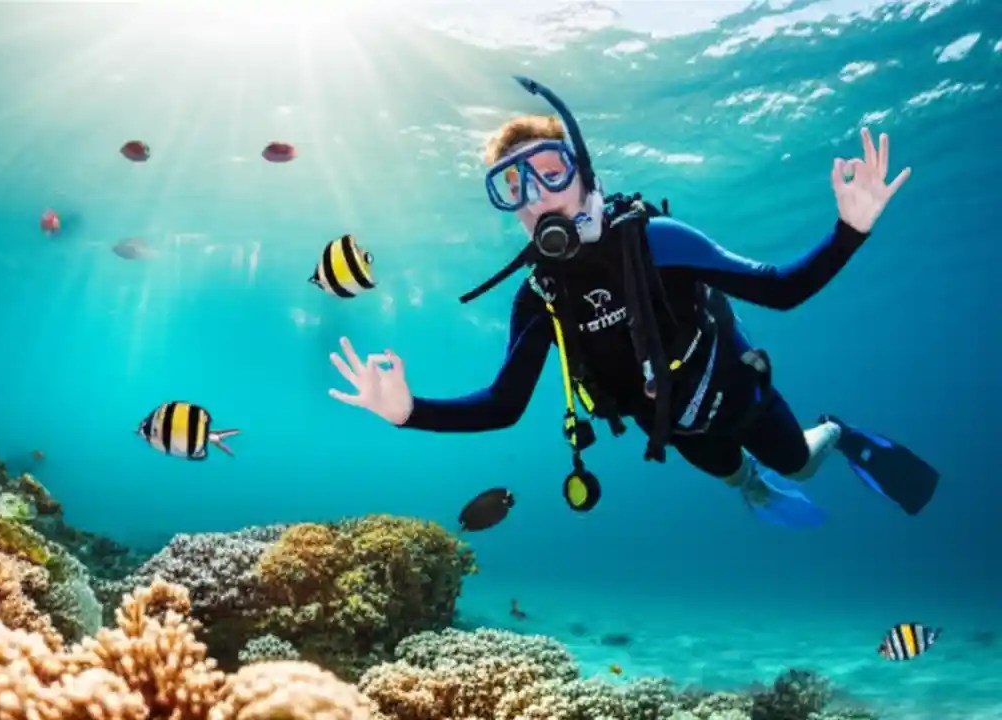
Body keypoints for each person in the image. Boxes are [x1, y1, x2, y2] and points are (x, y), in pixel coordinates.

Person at [326, 75, 940, 527]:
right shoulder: (537, 296)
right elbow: (503, 405)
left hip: (740, 394)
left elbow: (781, 291)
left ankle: (833, 431)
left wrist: (849, 231)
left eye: (549, 170)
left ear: (585, 174)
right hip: (674, 429)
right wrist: (412, 411)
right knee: (738, 478)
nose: (537, 196)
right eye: (513, 186)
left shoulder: (655, 240)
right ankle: (755, 489)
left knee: (801, 463)